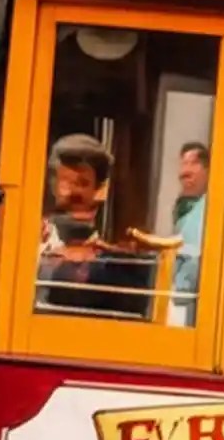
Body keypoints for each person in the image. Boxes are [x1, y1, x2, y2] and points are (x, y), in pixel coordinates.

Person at [36, 134, 153, 317]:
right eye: (66, 182)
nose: (74, 192)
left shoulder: (115, 251)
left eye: (83, 184)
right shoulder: (35, 235)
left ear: (98, 189)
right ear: (53, 185)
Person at [172, 143, 209, 326]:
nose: (184, 172)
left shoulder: (211, 207)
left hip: (194, 301)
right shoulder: (184, 207)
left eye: (192, 163)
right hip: (177, 297)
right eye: (183, 164)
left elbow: (194, 258)